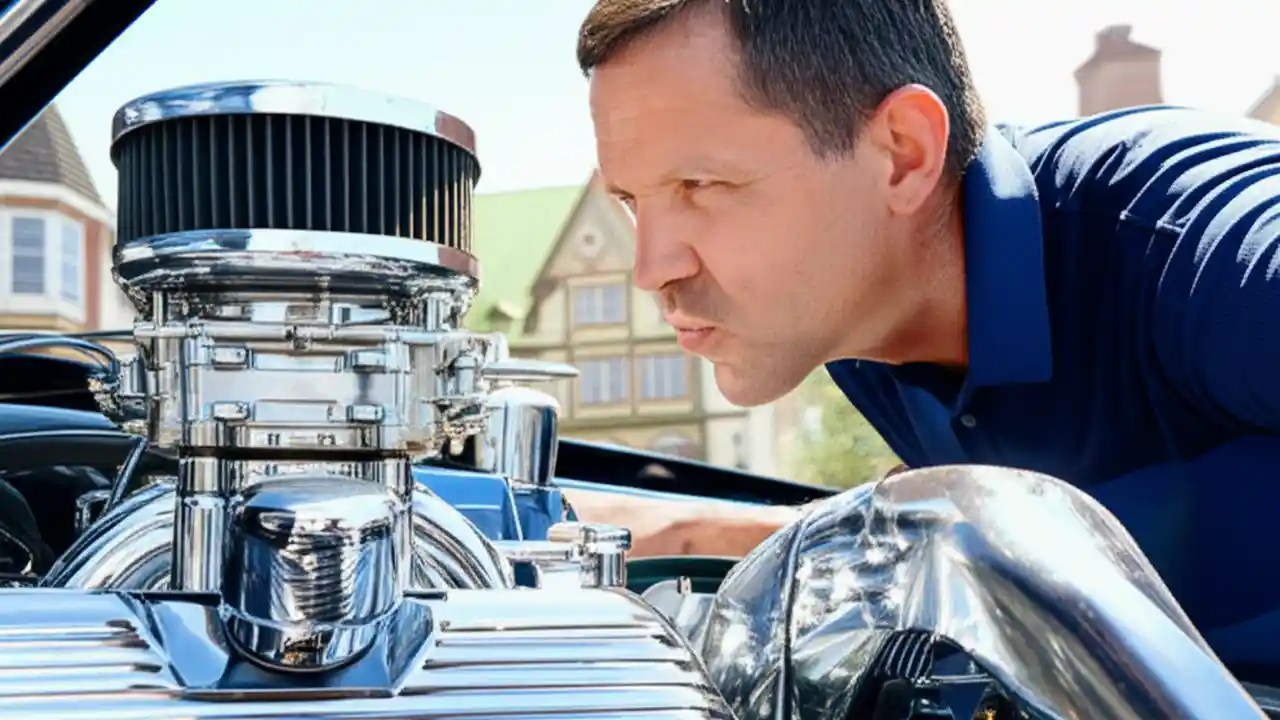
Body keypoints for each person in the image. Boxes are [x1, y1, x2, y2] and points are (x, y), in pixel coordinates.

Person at [561, 0, 1280, 681]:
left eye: (701, 182)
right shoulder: (864, 323)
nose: (652, 268)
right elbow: (962, 514)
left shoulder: (1194, 244)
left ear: (902, 153)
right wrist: (693, 533)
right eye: (630, 201)